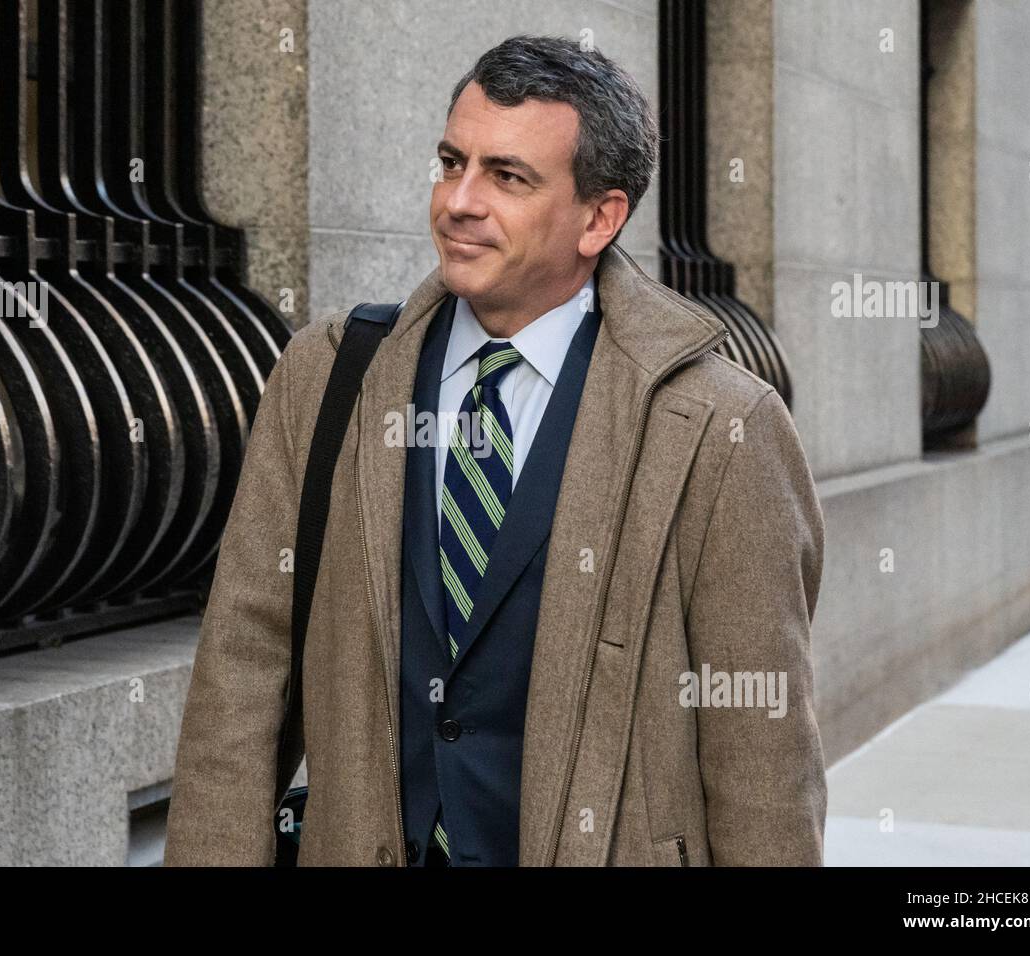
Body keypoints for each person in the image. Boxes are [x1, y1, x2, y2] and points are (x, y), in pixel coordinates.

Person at [164, 33, 826, 867]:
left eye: (507, 177)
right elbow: (242, 670)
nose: (459, 201)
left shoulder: (720, 427)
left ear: (600, 217)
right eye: (451, 163)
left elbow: (760, 760)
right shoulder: (331, 375)